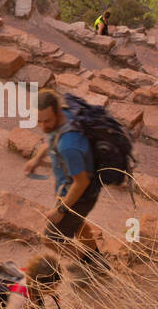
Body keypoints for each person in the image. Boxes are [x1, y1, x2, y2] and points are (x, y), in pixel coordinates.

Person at [23, 89, 106, 271]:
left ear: (57, 112)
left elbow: (81, 183)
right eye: (39, 121)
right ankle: (97, 258)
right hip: (75, 187)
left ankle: (91, 267)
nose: (43, 126)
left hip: (80, 193)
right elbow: (52, 137)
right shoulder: (65, 116)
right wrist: (37, 159)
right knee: (77, 225)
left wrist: (61, 210)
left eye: (47, 121)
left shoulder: (69, 146)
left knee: (50, 239)